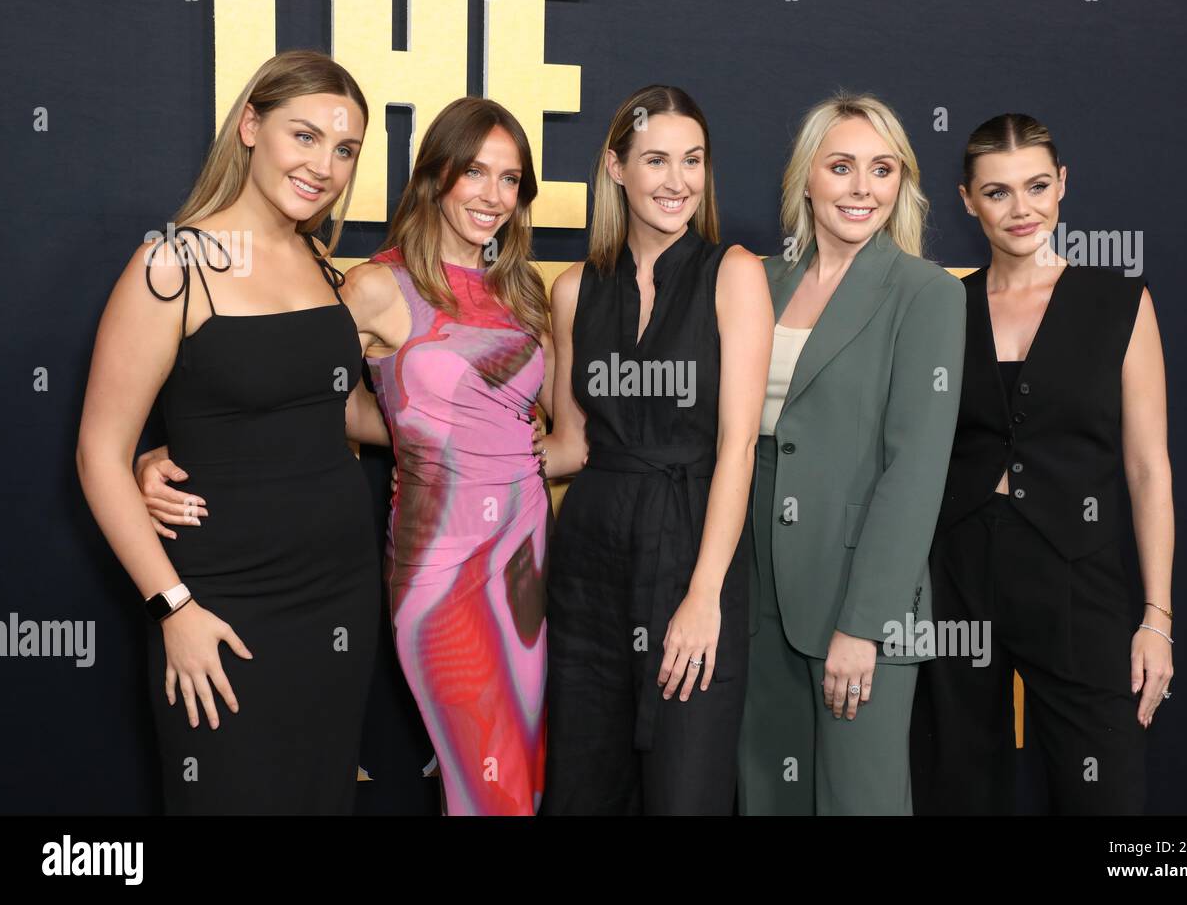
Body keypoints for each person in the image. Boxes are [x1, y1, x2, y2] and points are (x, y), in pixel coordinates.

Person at [137, 97, 553, 815]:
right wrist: (169, 453)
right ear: (435, 177)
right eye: (475, 172)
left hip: (525, 557)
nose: (493, 195)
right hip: (440, 564)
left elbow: (513, 423)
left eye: (511, 179)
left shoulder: (522, 290)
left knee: (518, 777)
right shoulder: (369, 284)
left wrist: (515, 439)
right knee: (489, 784)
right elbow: (282, 386)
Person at [77, 50, 379, 813]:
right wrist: (172, 609)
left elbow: (320, 410)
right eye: (304, 136)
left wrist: (477, 422)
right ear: (250, 125)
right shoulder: (173, 264)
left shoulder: (321, 263)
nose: (325, 166)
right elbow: (98, 455)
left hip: (339, 600)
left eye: (345, 149)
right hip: (222, 606)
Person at [910, 113, 1175, 815]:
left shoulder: (1118, 303)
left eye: (1035, 186)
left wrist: (1157, 618)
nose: (1020, 209)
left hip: (1076, 578)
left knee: (1105, 797)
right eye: (997, 192)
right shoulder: (941, 306)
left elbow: (1149, 471)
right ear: (968, 200)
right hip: (956, 576)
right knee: (956, 788)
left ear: (1062, 186)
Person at [539, 84, 772, 814]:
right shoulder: (575, 290)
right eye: (656, 160)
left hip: (694, 550)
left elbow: (738, 447)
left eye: (693, 161)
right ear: (615, 167)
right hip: (588, 567)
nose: (677, 181)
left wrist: (704, 597)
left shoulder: (734, 273)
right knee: (583, 789)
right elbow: (568, 445)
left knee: (685, 792)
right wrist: (444, 463)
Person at [736, 92, 965, 815]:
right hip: (753, 583)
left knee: (855, 802)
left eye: (882, 169)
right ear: (807, 178)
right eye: (841, 167)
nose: (862, 188)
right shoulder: (760, 283)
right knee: (766, 794)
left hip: (858, 591)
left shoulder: (926, 293)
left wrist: (865, 625)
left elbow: (916, 472)